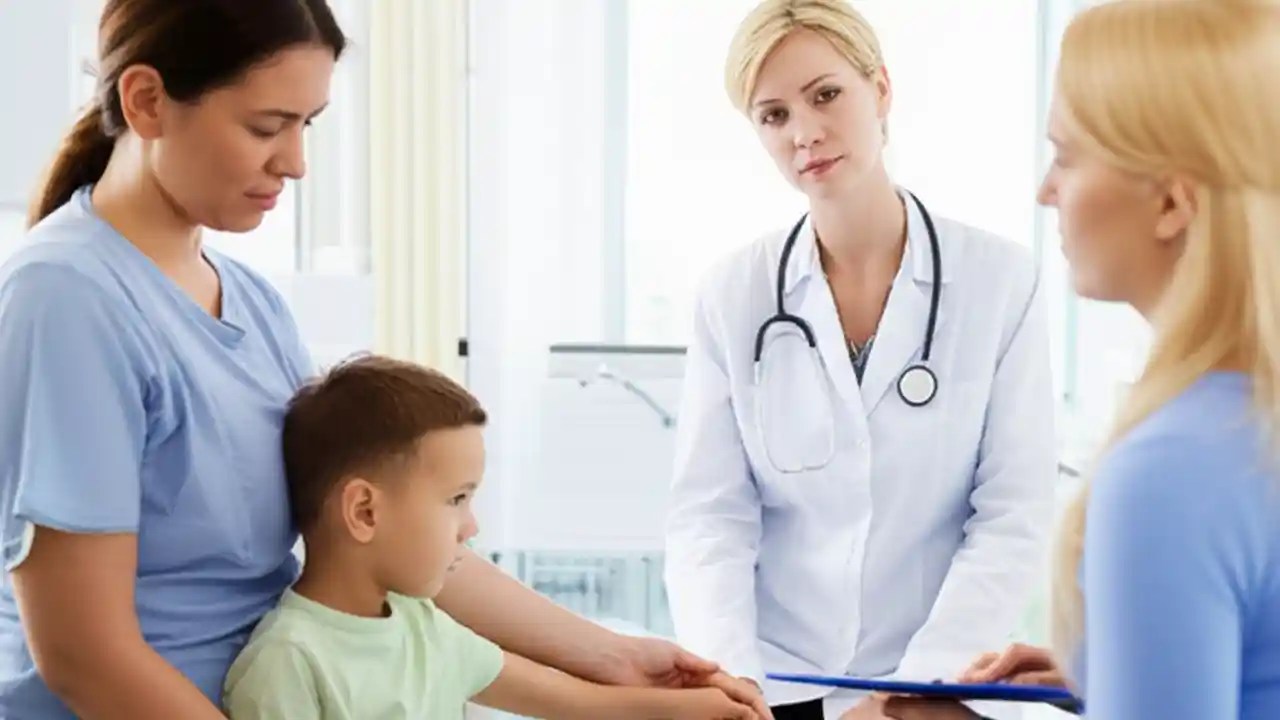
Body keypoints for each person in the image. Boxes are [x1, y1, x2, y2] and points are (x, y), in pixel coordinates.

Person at [0, 1, 768, 718]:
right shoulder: (68, 299)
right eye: (268, 125)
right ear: (145, 102)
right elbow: (84, 653)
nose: (296, 162)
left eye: (309, 124)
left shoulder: (254, 307)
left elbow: (388, 534)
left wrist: (611, 658)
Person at [883, 1, 1280, 719]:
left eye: (1066, 155)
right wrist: (1114, 681)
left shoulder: (1174, 468)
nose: (1046, 190)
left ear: (1169, 202)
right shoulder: (1250, 425)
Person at [662, 1, 1058, 719]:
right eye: (773, 115)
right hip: (770, 688)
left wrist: (914, 689)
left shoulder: (999, 279)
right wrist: (734, 682)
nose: (805, 133)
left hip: (937, 686)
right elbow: (709, 516)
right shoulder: (735, 292)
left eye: (825, 94)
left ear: (880, 90)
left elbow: (1013, 512)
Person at [223, 354, 760, 719]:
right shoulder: (287, 662)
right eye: (457, 499)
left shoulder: (424, 628)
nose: (471, 526)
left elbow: (581, 704)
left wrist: (702, 705)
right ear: (364, 511)